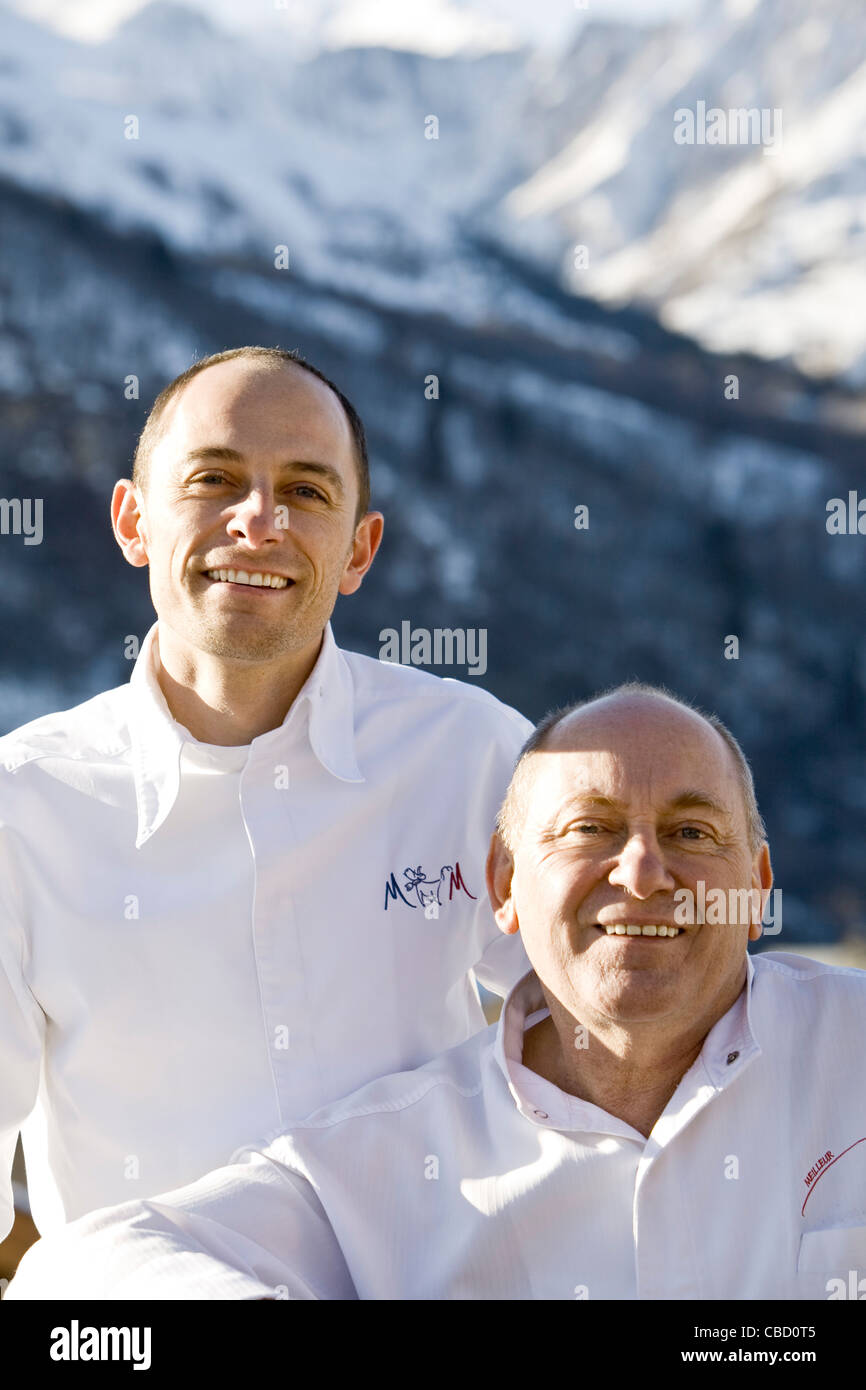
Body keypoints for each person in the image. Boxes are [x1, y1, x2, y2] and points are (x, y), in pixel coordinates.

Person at [8, 685, 864, 1300]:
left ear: (755, 888)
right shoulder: (381, 1161)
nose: (641, 872)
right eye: (589, 830)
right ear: (504, 886)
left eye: (690, 832)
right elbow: (80, 1270)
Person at [0, 346, 532, 1246]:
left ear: (359, 549)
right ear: (134, 523)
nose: (259, 522)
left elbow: (609, 1028)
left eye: (309, 491)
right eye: (214, 480)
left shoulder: (472, 753)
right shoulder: (25, 809)